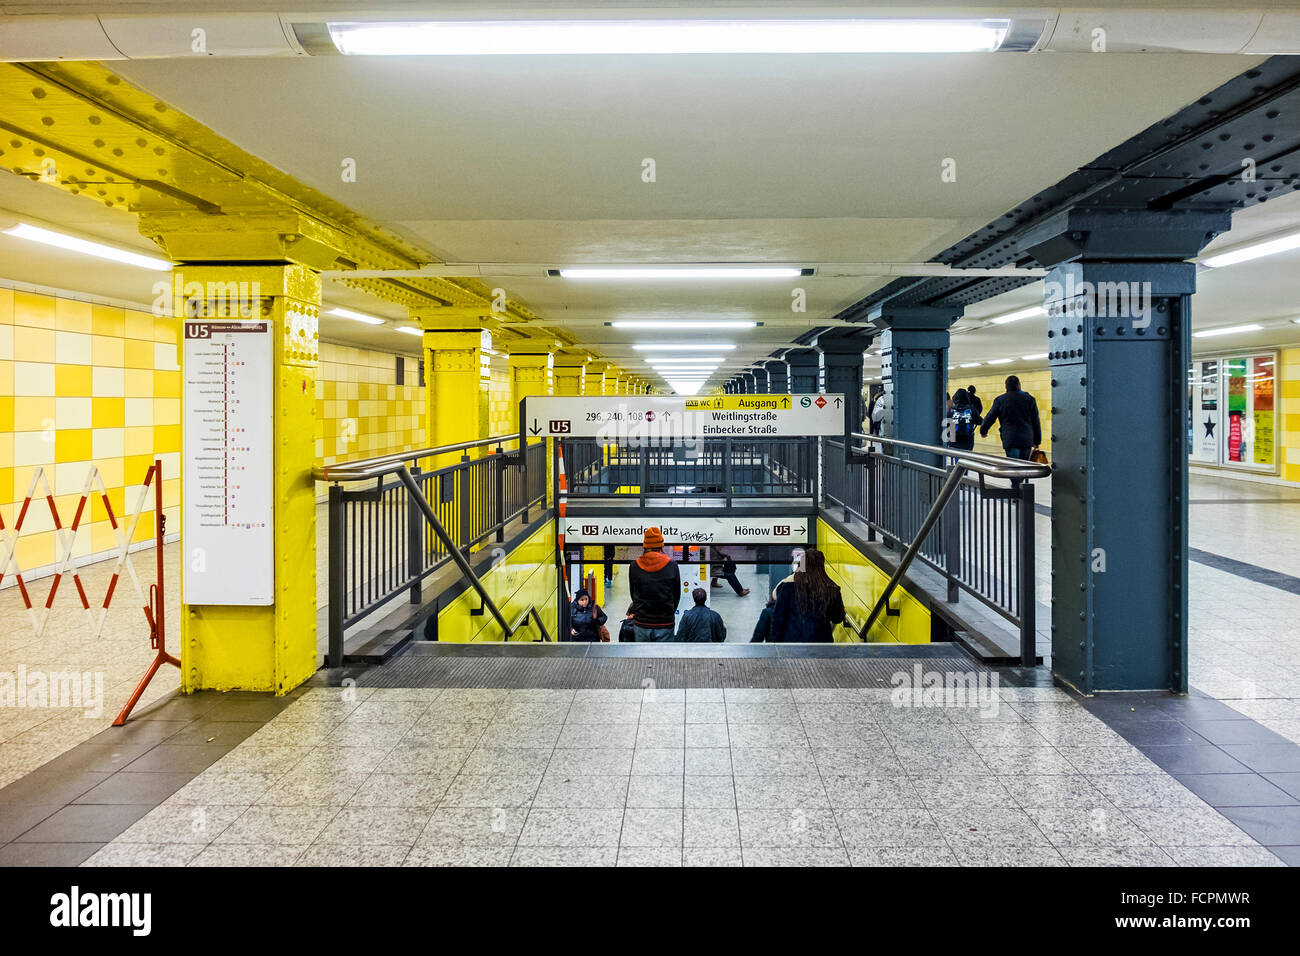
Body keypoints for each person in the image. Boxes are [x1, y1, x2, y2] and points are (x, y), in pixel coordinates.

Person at [770, 548, 846, 643]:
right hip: (822, 645)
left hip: (792, 644)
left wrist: (774, 644)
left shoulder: (788, 588)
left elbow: (778, 620)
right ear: (821, 565)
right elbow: (837, 618)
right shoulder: (832, 589)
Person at [978, 375, 1043, 480]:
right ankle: (1023, 489)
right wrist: (1037, 441)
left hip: (1010, 439)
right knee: (1024, 466)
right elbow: (1036, 421)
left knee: (1013, 467)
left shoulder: (1000, 400)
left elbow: (990, 416)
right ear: (1019, 385)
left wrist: (983, 430)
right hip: (1026, 439)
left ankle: (1016, 489)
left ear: (1006, 387)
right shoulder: (1030, 399)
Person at [628, 526, 680, 642]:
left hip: (642, 621)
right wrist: (668, 611)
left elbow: (632, 593)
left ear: (645, 545)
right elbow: (676, 595)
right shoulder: (672, 565)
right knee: (664, 658)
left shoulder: (634, 566)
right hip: (665, 621)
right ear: (661, 545)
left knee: (642, 658)